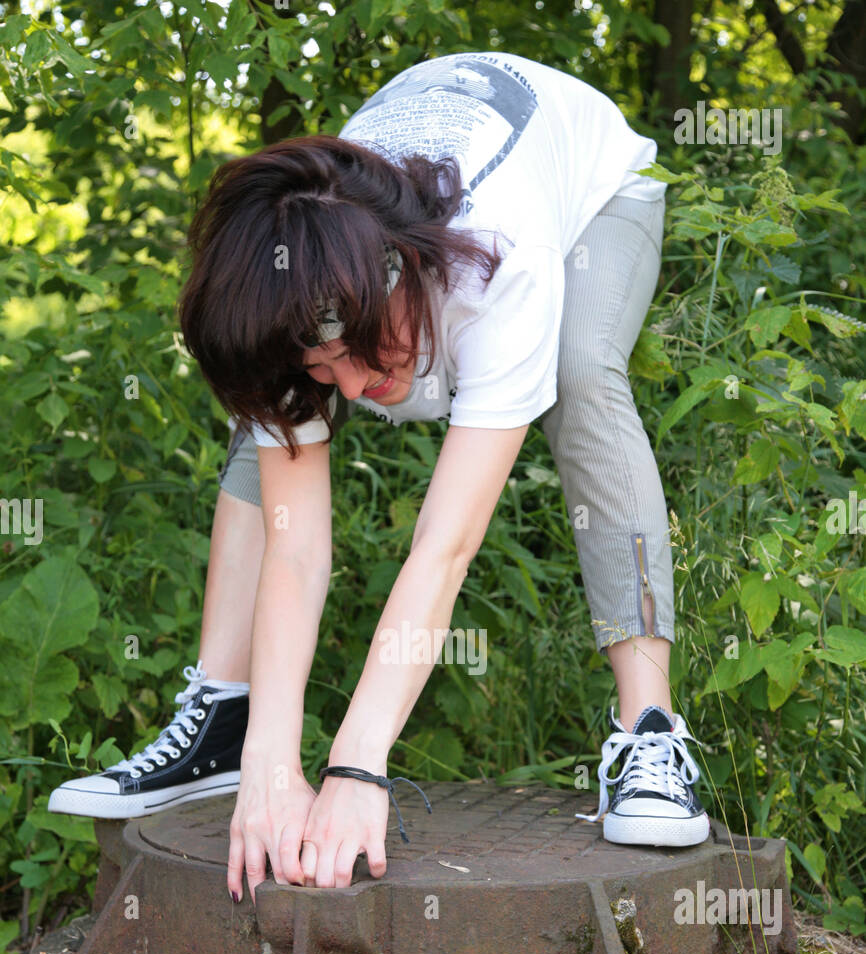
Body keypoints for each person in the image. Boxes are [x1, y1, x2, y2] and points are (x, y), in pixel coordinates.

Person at [48, 50, 710, 893]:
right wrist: (272, 764)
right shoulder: (297, 278)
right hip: (396, 201)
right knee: (268, 416)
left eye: (365, 352)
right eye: (327, 368)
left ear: (402, 274)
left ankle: (650, 727)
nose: (356, 389)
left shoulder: (501, 266)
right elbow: (296, 550)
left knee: (581, 376)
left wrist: (357, 767)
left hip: (595, 194)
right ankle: (225, 717)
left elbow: (445, 544)